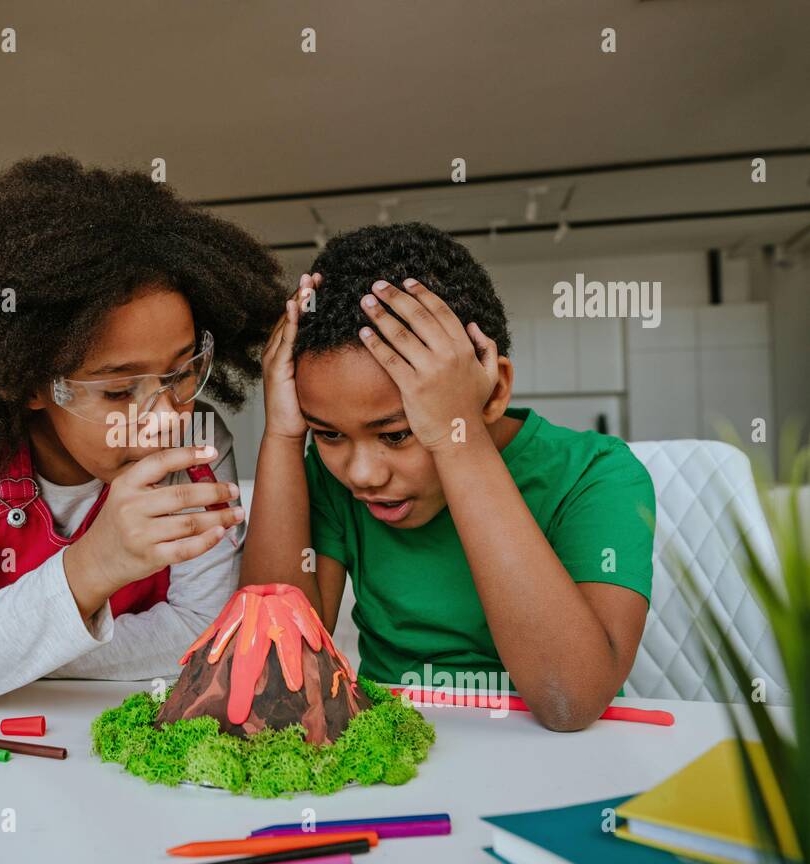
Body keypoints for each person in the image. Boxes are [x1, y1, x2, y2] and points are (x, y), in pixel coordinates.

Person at [0, 155, 283, 706]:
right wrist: (99, 561)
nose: (168, 416)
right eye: (119, 391)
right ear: (26, 383)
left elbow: (203, 636)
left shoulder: (201, 448)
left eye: (184, 370)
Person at [241, 222, 655, 731]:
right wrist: (282, 437)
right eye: (327, 434)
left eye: (397, 434)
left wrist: (457, 443)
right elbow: (272, 683)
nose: (362, 474)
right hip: (400, 753)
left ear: (492, 390)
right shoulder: (329, 479)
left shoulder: (596, 475)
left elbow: (570, 701)